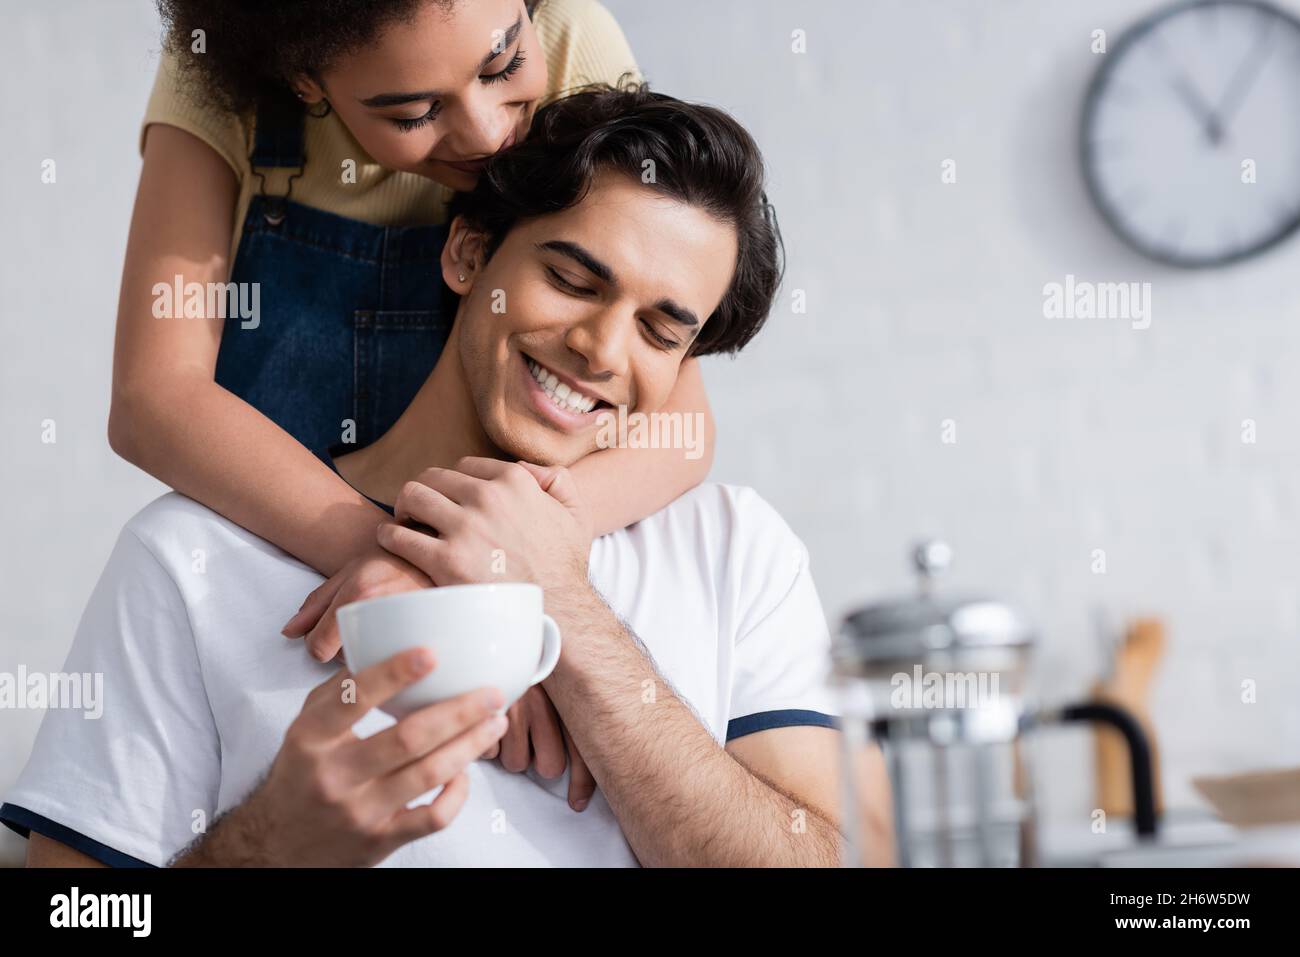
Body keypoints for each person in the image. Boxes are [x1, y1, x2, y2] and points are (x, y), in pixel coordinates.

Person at [5, 86, 893, 867]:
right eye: (571, 278)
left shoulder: (736, 553)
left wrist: (559, 600)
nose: (600, 348)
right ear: (468, 256)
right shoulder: (186, 561)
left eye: (662, 332)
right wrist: (271, 847)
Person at [112, 0, 716, 799]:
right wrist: (414, 559)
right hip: (292, 575)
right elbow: (154, 394)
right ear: (304, 78)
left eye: (503, 66)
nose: (486, 132)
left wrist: (507, 562)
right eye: (415, 111)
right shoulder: (220, 83)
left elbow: (681, 425)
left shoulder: (571, 37)